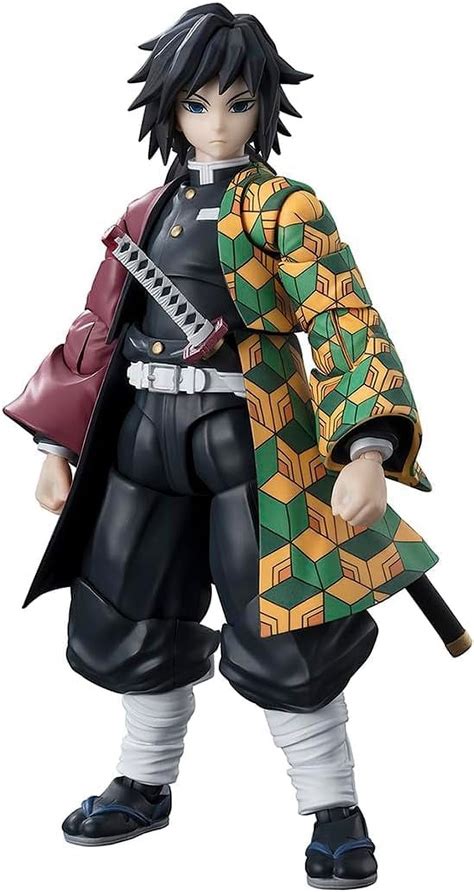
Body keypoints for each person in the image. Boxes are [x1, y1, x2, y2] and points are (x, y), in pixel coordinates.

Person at [4, 4, 438, 887]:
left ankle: (334, 806)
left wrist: (366, 448)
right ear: (169, 108)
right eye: (196, 104)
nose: (216, 123)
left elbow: (343, 319)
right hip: (141, 436)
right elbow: (98, 326)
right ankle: (143, 780)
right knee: (131, 612)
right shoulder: (143, 211)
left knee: (287, 626)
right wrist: (57, 443)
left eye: (236, 103)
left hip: (254, 438)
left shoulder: (286, 207)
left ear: (262, 106)